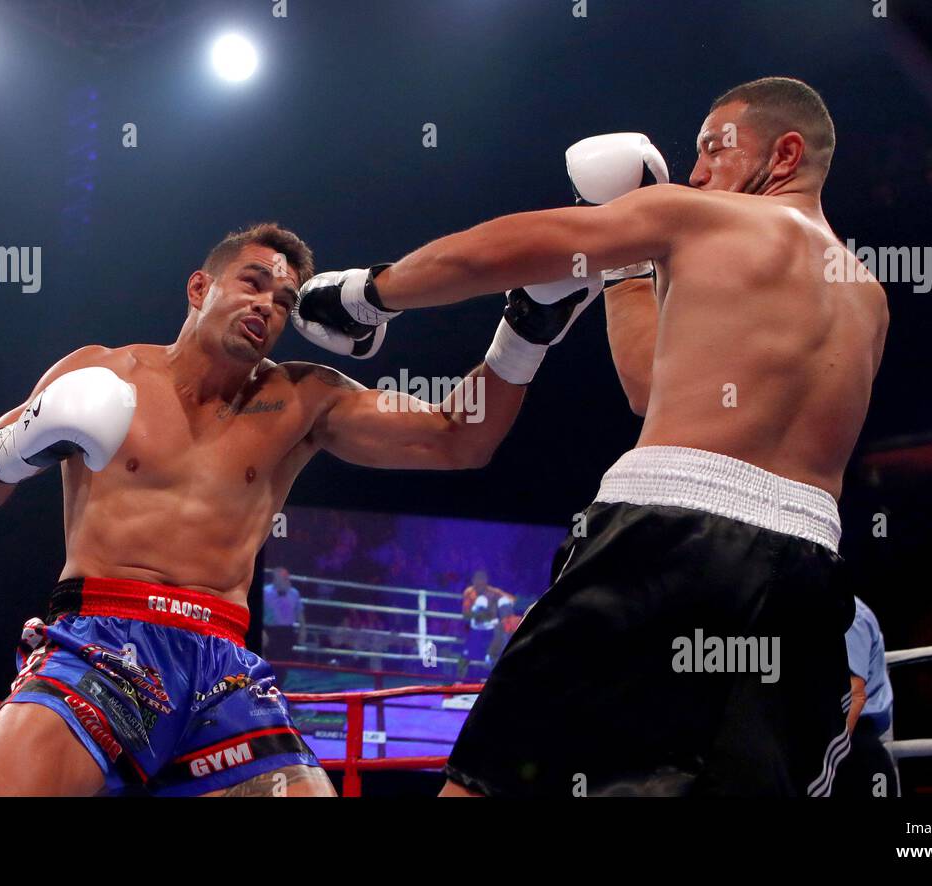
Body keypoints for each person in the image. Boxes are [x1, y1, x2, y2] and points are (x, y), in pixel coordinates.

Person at [296, 77, 889, 796]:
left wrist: (367, 292)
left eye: (713, 149)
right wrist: (633, 267)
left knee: (491, 780)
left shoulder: (701, 217)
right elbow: (651, 386)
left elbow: (512, 248)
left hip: (665, 536)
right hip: (804, 576)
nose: (697, 170)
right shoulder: (867, 293)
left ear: (786, 152)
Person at [0, 221, 593, 796]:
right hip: (103, 643)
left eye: (283, 301)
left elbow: (461, 438)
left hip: (223, 672)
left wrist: (527, 328)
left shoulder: (302, 399)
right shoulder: (105, 372)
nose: (266, 305)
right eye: (251, 283)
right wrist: (11, 449)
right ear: (200, 288)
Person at [835, 597, 900, 797]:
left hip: (854, 746)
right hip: (832, 744)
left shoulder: (848, 614)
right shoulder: (806, 612)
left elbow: (854, 696)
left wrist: (831, 757)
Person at [459, 571, 515, 679]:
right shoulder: (469, 593)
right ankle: (460, 678)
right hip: (475, 626)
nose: (480, 582)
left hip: (491, 627)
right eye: (478, 579)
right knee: (466, 655)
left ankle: (494, 659)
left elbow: (511, 599)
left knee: (502, 626)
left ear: (486, 581)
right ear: (473, 580)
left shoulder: (493, 592)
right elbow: (466, 614)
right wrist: (480, 614)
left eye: (482, 579)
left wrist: (500, 605)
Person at [262, 567, 305, 662]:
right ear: (275, 580)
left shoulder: (294, 593)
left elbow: (300, 613)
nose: (286, 580)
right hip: (270, 630)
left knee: (285, 661)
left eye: (287, 578)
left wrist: (302, 630)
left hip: (287, 631)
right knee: (268, 660)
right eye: (283, 578)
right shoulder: (265, 592)